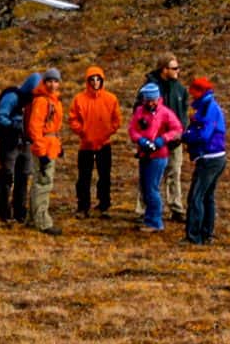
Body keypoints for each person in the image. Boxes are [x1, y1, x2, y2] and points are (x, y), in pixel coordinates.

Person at [66, 67, 124, 219]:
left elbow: (117, 120)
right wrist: (83, 132)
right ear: (87, 81)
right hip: (86, 145)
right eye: (92, 79)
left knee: (105, 176)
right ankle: (83, 206)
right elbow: (72, 119)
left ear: (102, 80)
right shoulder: (79, 99)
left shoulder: (110, 99)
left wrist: (107, 132)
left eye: (98, 79)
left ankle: (104, 205)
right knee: (84, 177)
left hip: (104, 144)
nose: (95, 82)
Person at [128, 83, 184, 232]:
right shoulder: (140, 111)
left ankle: (155, 222)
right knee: (147, 188)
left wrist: (162, 139)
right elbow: (132, 129)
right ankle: (149, 218)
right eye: (148, 100)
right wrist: (141, 140)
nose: (151, 103)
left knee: (152, 188)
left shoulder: (165, 113)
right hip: (144, 154)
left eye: (153, 99)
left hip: (159, 156)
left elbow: (177, 129)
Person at [142, 54, 191, 220]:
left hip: (174, 140)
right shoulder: (150, 88)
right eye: (174, 68)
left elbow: (184, 115)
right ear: (164, 70)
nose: (178, 71)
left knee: (174, 173)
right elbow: (140, 113)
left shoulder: (180, 90)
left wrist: (180, 133)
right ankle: (144, 209)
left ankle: (176, 208)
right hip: (153, 141)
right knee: (149, 176)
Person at [0, 72, 42, 224]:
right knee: (7, 176)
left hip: (25, 143)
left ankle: (20, 213)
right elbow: (1, 116)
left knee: (23, 177)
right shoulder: (12, 97)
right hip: (9, 142)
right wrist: (15, 125)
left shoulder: (33, 101)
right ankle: (5, 214)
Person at [180, 76, 227, 245]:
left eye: (194, 93)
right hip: (217, 158)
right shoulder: (209, 107)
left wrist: (187, 136)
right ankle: (207, 234)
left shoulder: (209, 108)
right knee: (207, 196)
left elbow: (205, 134)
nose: (192, 97)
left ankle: (194, 237)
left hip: (209, 159)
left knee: (196, 197)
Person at [26, 68, 66, 235]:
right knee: (43, 183)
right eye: (49, 81)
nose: (52, 84)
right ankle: (42, 222)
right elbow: (35, 128)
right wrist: (41, 152)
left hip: (50, 145)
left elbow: (54, 128)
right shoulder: (42, 101)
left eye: (55, 81)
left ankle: (32, 218)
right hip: (44, 147)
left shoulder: (54, 101)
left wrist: (58, 145)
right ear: (44, 82)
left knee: (39, 182)